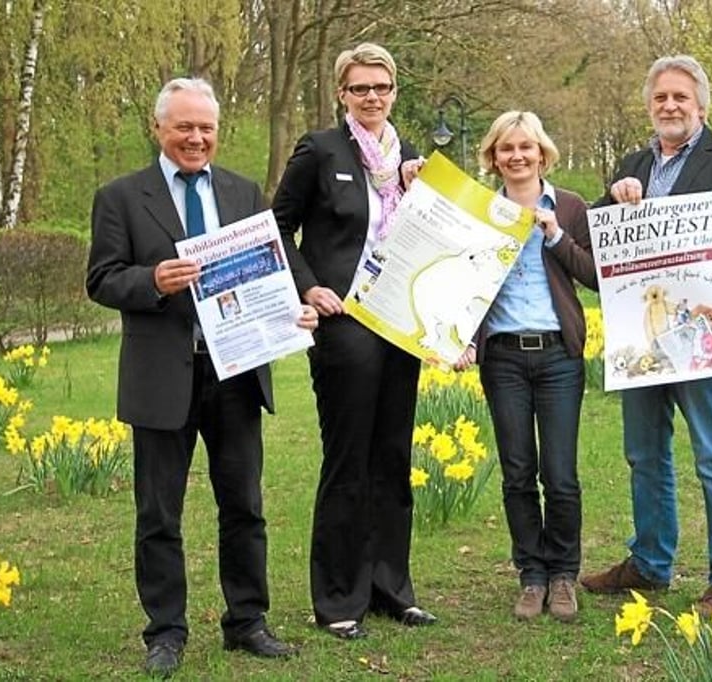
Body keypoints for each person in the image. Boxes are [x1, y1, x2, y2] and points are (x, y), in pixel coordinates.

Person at [86, 77, 317, 677]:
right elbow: (102, 278)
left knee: (244, 504)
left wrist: (294, 307)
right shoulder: (120, 196)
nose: (196, 138)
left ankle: (247, 622)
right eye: (184, 127)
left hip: (236, 373)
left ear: (218, 131)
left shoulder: (244, 193)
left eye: (205, 128)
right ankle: (165, 631)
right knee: (158, 513)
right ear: (159, 128)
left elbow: (270, 271)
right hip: (161, 375)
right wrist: (151, 282)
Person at [579, 55, 712, 617]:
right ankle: (650, 563)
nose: (670, 106)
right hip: (640, 339)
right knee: (643, 454)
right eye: (661, 98)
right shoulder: (633, 163)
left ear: (701, 106)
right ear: (649, 106)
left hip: (703, 336)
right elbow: (596, 237)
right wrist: (609, 198)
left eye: (680, 98)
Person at [271, 42, 435, 641]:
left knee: (392, 457)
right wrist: (308, 287)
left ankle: (393, 589)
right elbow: (276, 228)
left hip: (400, 322)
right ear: (342, 93)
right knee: (349, 460)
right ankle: (339, 597)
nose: (372, 97)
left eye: (382, 87)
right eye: (360, 88)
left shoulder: (409, 154)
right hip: (345, 323)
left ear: (394, 91)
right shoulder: (321, 150)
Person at [451, 112, 597, 623]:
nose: (517, 156)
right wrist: (463, 339)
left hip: (558, 355)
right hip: (505, 357)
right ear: (493, 157)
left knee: (560, 474)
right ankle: (531, 575)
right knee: (518, 472)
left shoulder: (571, 206)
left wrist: (556, 235)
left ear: (543, 153)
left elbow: (595, 275)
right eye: (506, 149)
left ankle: (564, 575)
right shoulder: (480, 212)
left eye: (526, 148)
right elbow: (461, 282)